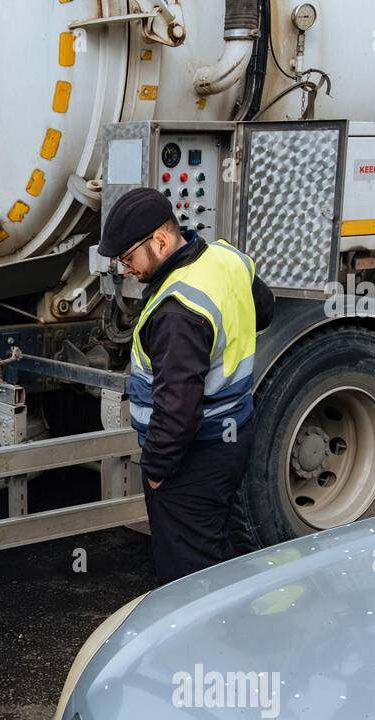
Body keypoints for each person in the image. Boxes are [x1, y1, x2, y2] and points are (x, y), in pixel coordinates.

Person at [98, 187, 274, 584]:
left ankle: (207, 642)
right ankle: (238, 627)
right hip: (233, 433)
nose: (125, 269)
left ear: (160, 241)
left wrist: (158, 470)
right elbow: (264, 311)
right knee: (214, 545)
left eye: (128, 258)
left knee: (186, 576)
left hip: (195, 455)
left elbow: (178, 409)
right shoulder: (226, 258)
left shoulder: (177, 311)